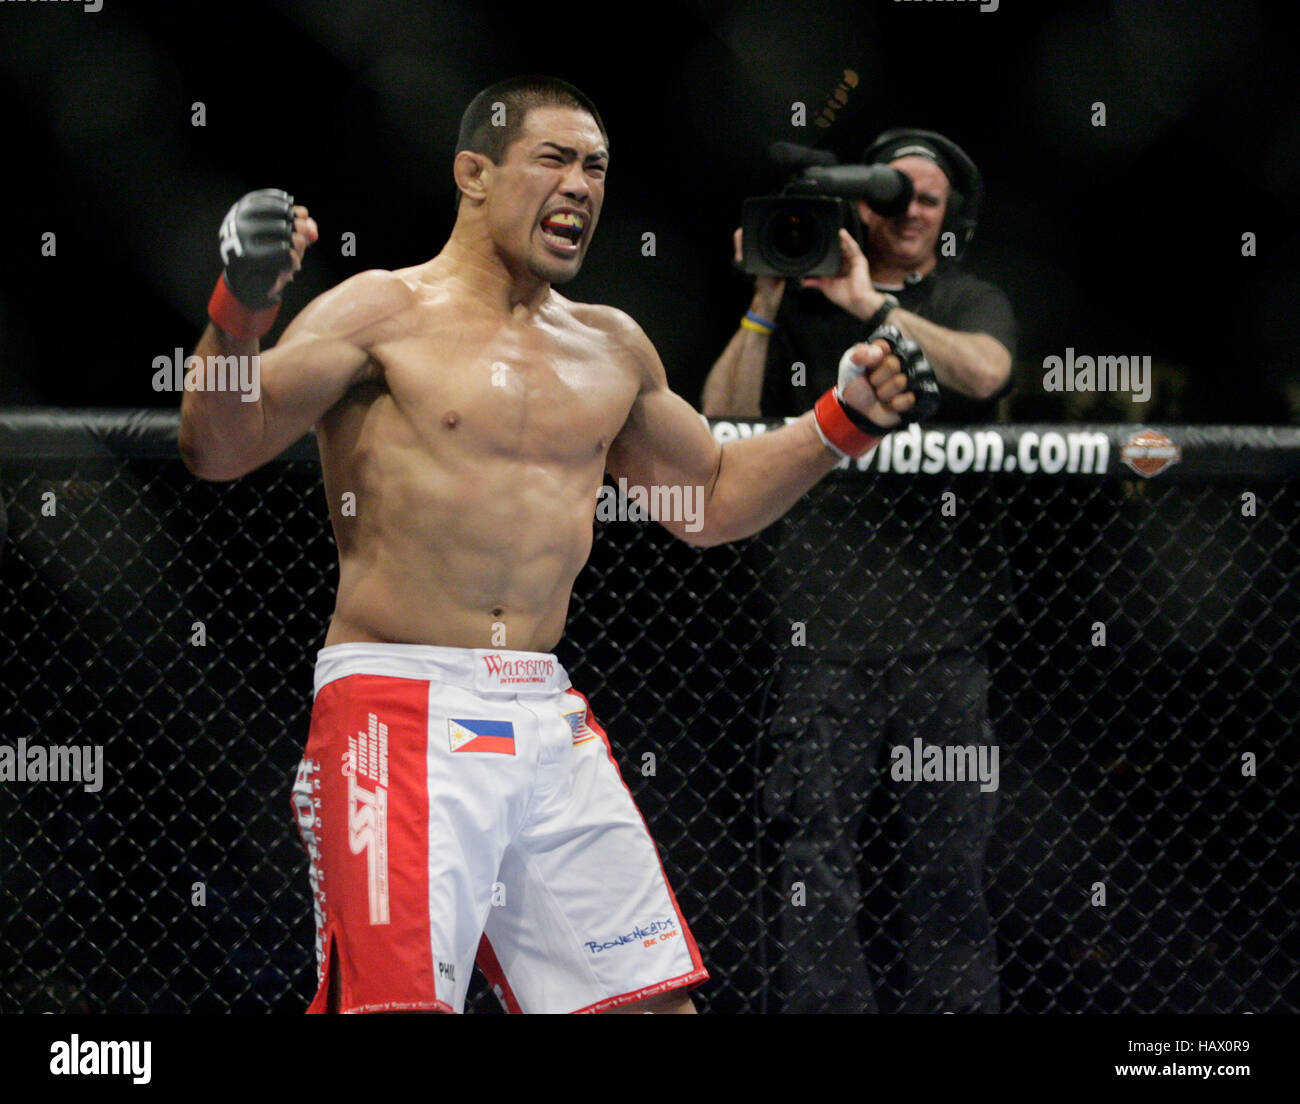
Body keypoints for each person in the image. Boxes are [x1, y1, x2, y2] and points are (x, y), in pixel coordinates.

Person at [178, 77, 927, 1015]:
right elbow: (217, 448)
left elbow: (711, 501)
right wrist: (241, 312)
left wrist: (843, 418)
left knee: (652, 1008)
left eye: (598, 168)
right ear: (474, 174)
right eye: (556, 159)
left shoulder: (611, 347)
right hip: (397, 708)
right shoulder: (380, 311)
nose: (582, 185)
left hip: (541, 714)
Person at [702, 129, 1016, 1012]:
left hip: (945, 642)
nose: (909, 210)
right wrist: (766, 298)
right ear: (862, 204)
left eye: (928, 198)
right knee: (814, 876)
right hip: (822, 637)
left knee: (951, 874)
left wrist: (869, 302)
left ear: (950, 215)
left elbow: (986, 372)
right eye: (893, 193)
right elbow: (718, 424)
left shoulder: (966, 297)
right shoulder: (798, 302)